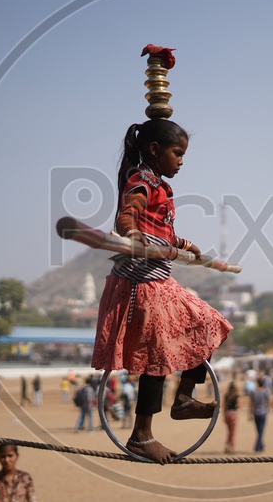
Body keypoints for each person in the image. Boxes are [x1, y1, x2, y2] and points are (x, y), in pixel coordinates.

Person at [90, 56, 233, 465]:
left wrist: (186, 248)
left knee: (209, 325)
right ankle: (141, 435)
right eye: (178, 152)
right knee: (156, 354)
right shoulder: (141, 180)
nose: (182, 160)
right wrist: (134, 235)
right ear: (155, 150)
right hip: (140, 283)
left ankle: (184, 399)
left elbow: (165, 233)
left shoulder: (162, 188)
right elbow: (127, 219)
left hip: (160, 278)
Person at [249, 377, 273, 453]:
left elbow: (251, 404)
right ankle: (257, 447)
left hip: (256, 413)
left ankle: (261, 446)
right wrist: (272, 408)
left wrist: (249, 413)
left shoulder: (253, 392)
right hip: (263, 413)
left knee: (259, 431)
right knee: (261, 431)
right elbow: (269, 401)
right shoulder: (265, 392)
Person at [223, 381, 240, 454]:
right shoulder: (236, 395)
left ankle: (227, 445)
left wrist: (223, 415)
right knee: (232, 432)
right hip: (233, 413)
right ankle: (231, 447)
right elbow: (239, 405)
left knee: (229, 431)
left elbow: (223, 406)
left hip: (227, 413)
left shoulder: (226, 395)